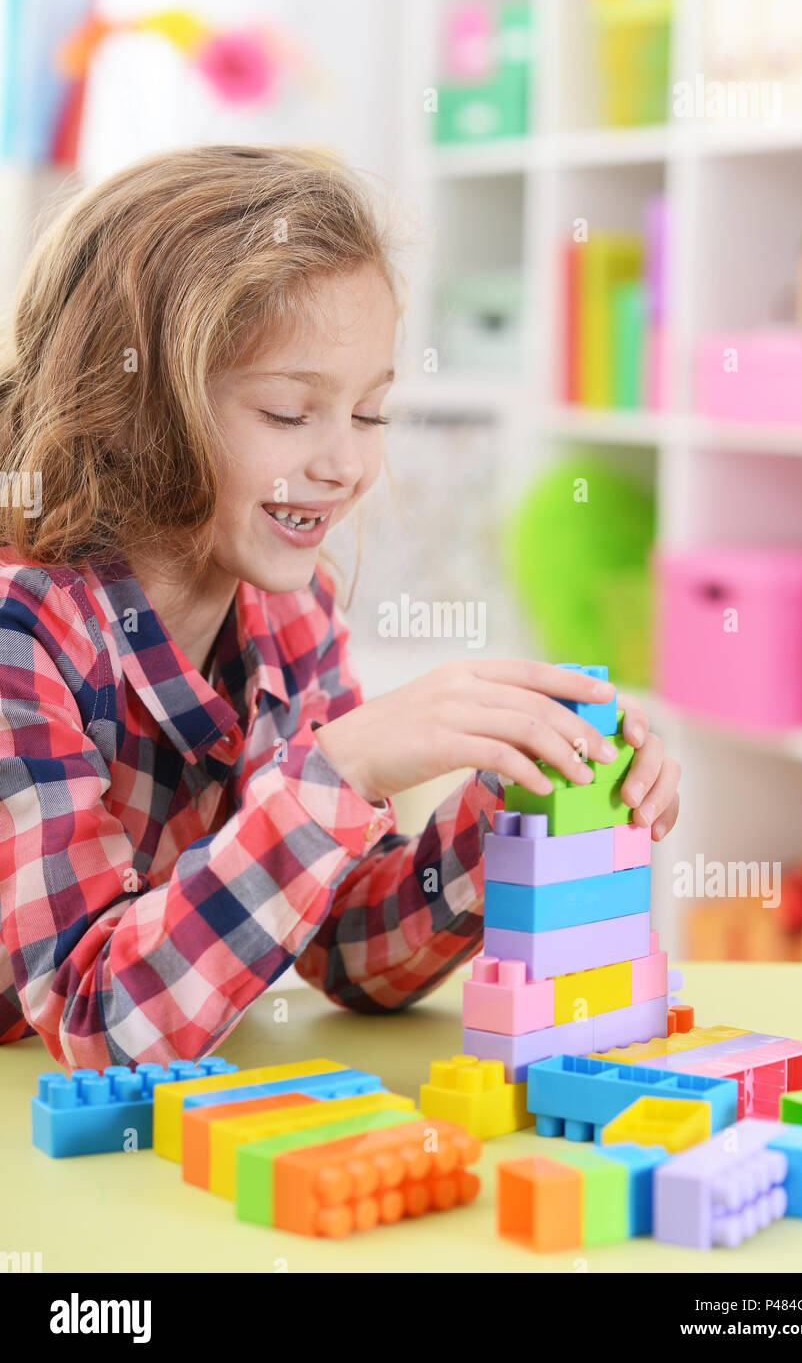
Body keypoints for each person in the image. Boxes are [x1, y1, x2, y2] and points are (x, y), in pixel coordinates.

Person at [0, 145, 680, 1071]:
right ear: (133, 406)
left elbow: (356, 957)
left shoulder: (290, 612)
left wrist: (515, 797)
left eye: (369, 414)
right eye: (289, 413)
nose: (344, 465)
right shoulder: (25, 631)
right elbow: (96, 1020)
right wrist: (339, 767)